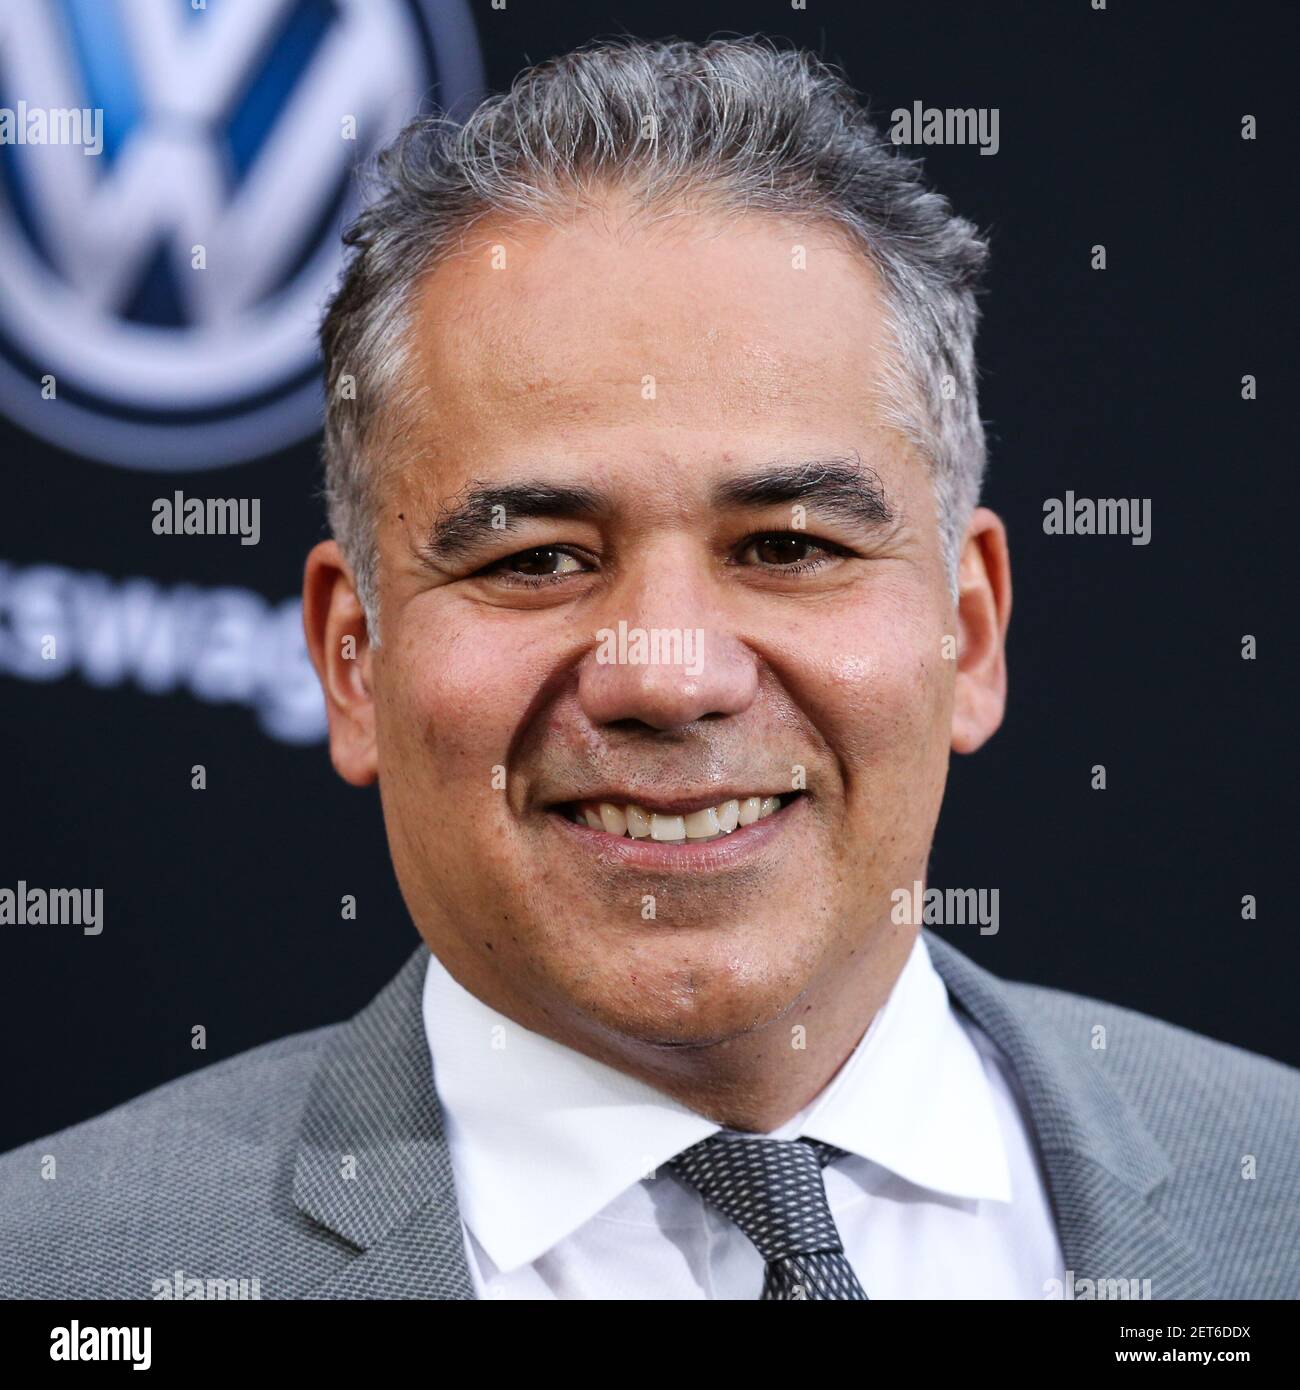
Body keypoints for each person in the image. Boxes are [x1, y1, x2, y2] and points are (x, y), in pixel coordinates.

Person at [2, 37, 1295, 1301]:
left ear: (970, 629)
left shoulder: (1276, 1194)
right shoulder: (60, 1270)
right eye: (539, 559)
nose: (669, 676)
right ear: (354, 661)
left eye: (788, 545)